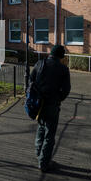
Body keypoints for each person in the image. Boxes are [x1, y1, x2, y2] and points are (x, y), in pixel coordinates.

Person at [30, 44, 71, 172]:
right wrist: (59, 98)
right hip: (52, 105)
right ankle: (44, 162)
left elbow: (31, 81)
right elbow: (66, 89)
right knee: (49, 134)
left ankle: (39, 155)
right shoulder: (63, 69)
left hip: (39, 104)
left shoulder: (40, 64)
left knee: (41, 129)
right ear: (60, 56)